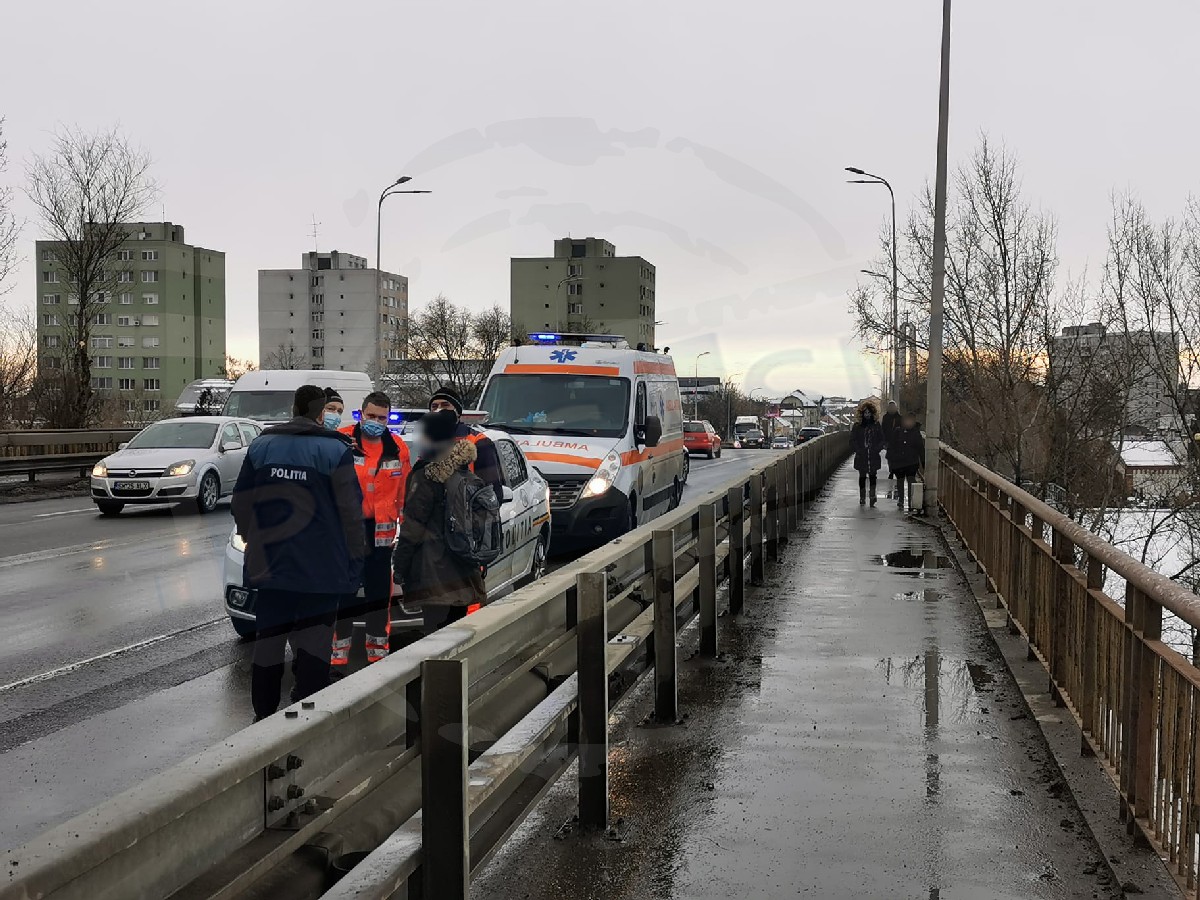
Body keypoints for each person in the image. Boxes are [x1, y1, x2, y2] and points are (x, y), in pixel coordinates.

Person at [232, 385, 366, 720]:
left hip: (271, 570)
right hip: (320, 574)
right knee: (314, 652)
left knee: (268, 647)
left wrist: (253, 539)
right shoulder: (334, 451)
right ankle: (304, 723)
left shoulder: (261, 446)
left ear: (294, 408)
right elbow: (351, 513)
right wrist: (355, 566)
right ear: (321, 413)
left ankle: (263, 720)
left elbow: (240, 503)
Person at [331, 390, 411, 670]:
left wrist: (407, 529)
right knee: (344, 594)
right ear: (361, 414)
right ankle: (337, 652)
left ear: (388, 418)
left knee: (379, 595)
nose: (376, 421)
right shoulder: (342, 440)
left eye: (381, 417)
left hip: (382, 535)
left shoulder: (398, 447)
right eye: (371, 416)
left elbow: (404, 494)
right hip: (347, 532)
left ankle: (377, 649)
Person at [393, 409, 486, 635]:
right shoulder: (469, 476)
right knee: (456, 637)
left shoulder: (426, 478)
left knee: (434, 640)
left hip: (433, 575)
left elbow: (413, 527)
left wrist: (400, 566)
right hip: (464, 572)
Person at [428, 385, 503, 502]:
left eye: (445, 405)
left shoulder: (479, 442)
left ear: (457, 411)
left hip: (467, 516)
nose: (439, 410)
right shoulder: (427, 443)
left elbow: (492, 493)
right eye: (434, 406)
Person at [850, 400, 885, 507]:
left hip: (873, 455)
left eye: (869, 413)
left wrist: (876, 449)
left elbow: (882, 439)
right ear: (862, 414)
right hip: (862, 455)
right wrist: (859, 450)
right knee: (862, 476)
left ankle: (872, 496)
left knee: (873, 475)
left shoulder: (876, 425)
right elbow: (852, 440)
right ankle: (862, 497)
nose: (867, 415)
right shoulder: (857, 426)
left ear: (872, 413)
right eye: (865, 413)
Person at [888, 412, 925, 511]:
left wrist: (923, 462)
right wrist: (891, 461)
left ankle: (910, 502)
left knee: (910, 482)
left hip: (911, 462)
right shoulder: (898, 432)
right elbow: (891, 447)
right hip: (899, 462)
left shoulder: (916, 433)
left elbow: (920, 448)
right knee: (900, 481)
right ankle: (901, 499)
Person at [881, 400, 901, 479]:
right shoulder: (885, 417)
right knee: (889, 457)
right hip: (889, 440)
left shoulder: (899, 418)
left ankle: (895, 470)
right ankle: (891, 471)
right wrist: (884, 441)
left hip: (897, 441)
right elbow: (883, 429)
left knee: (896, 457)